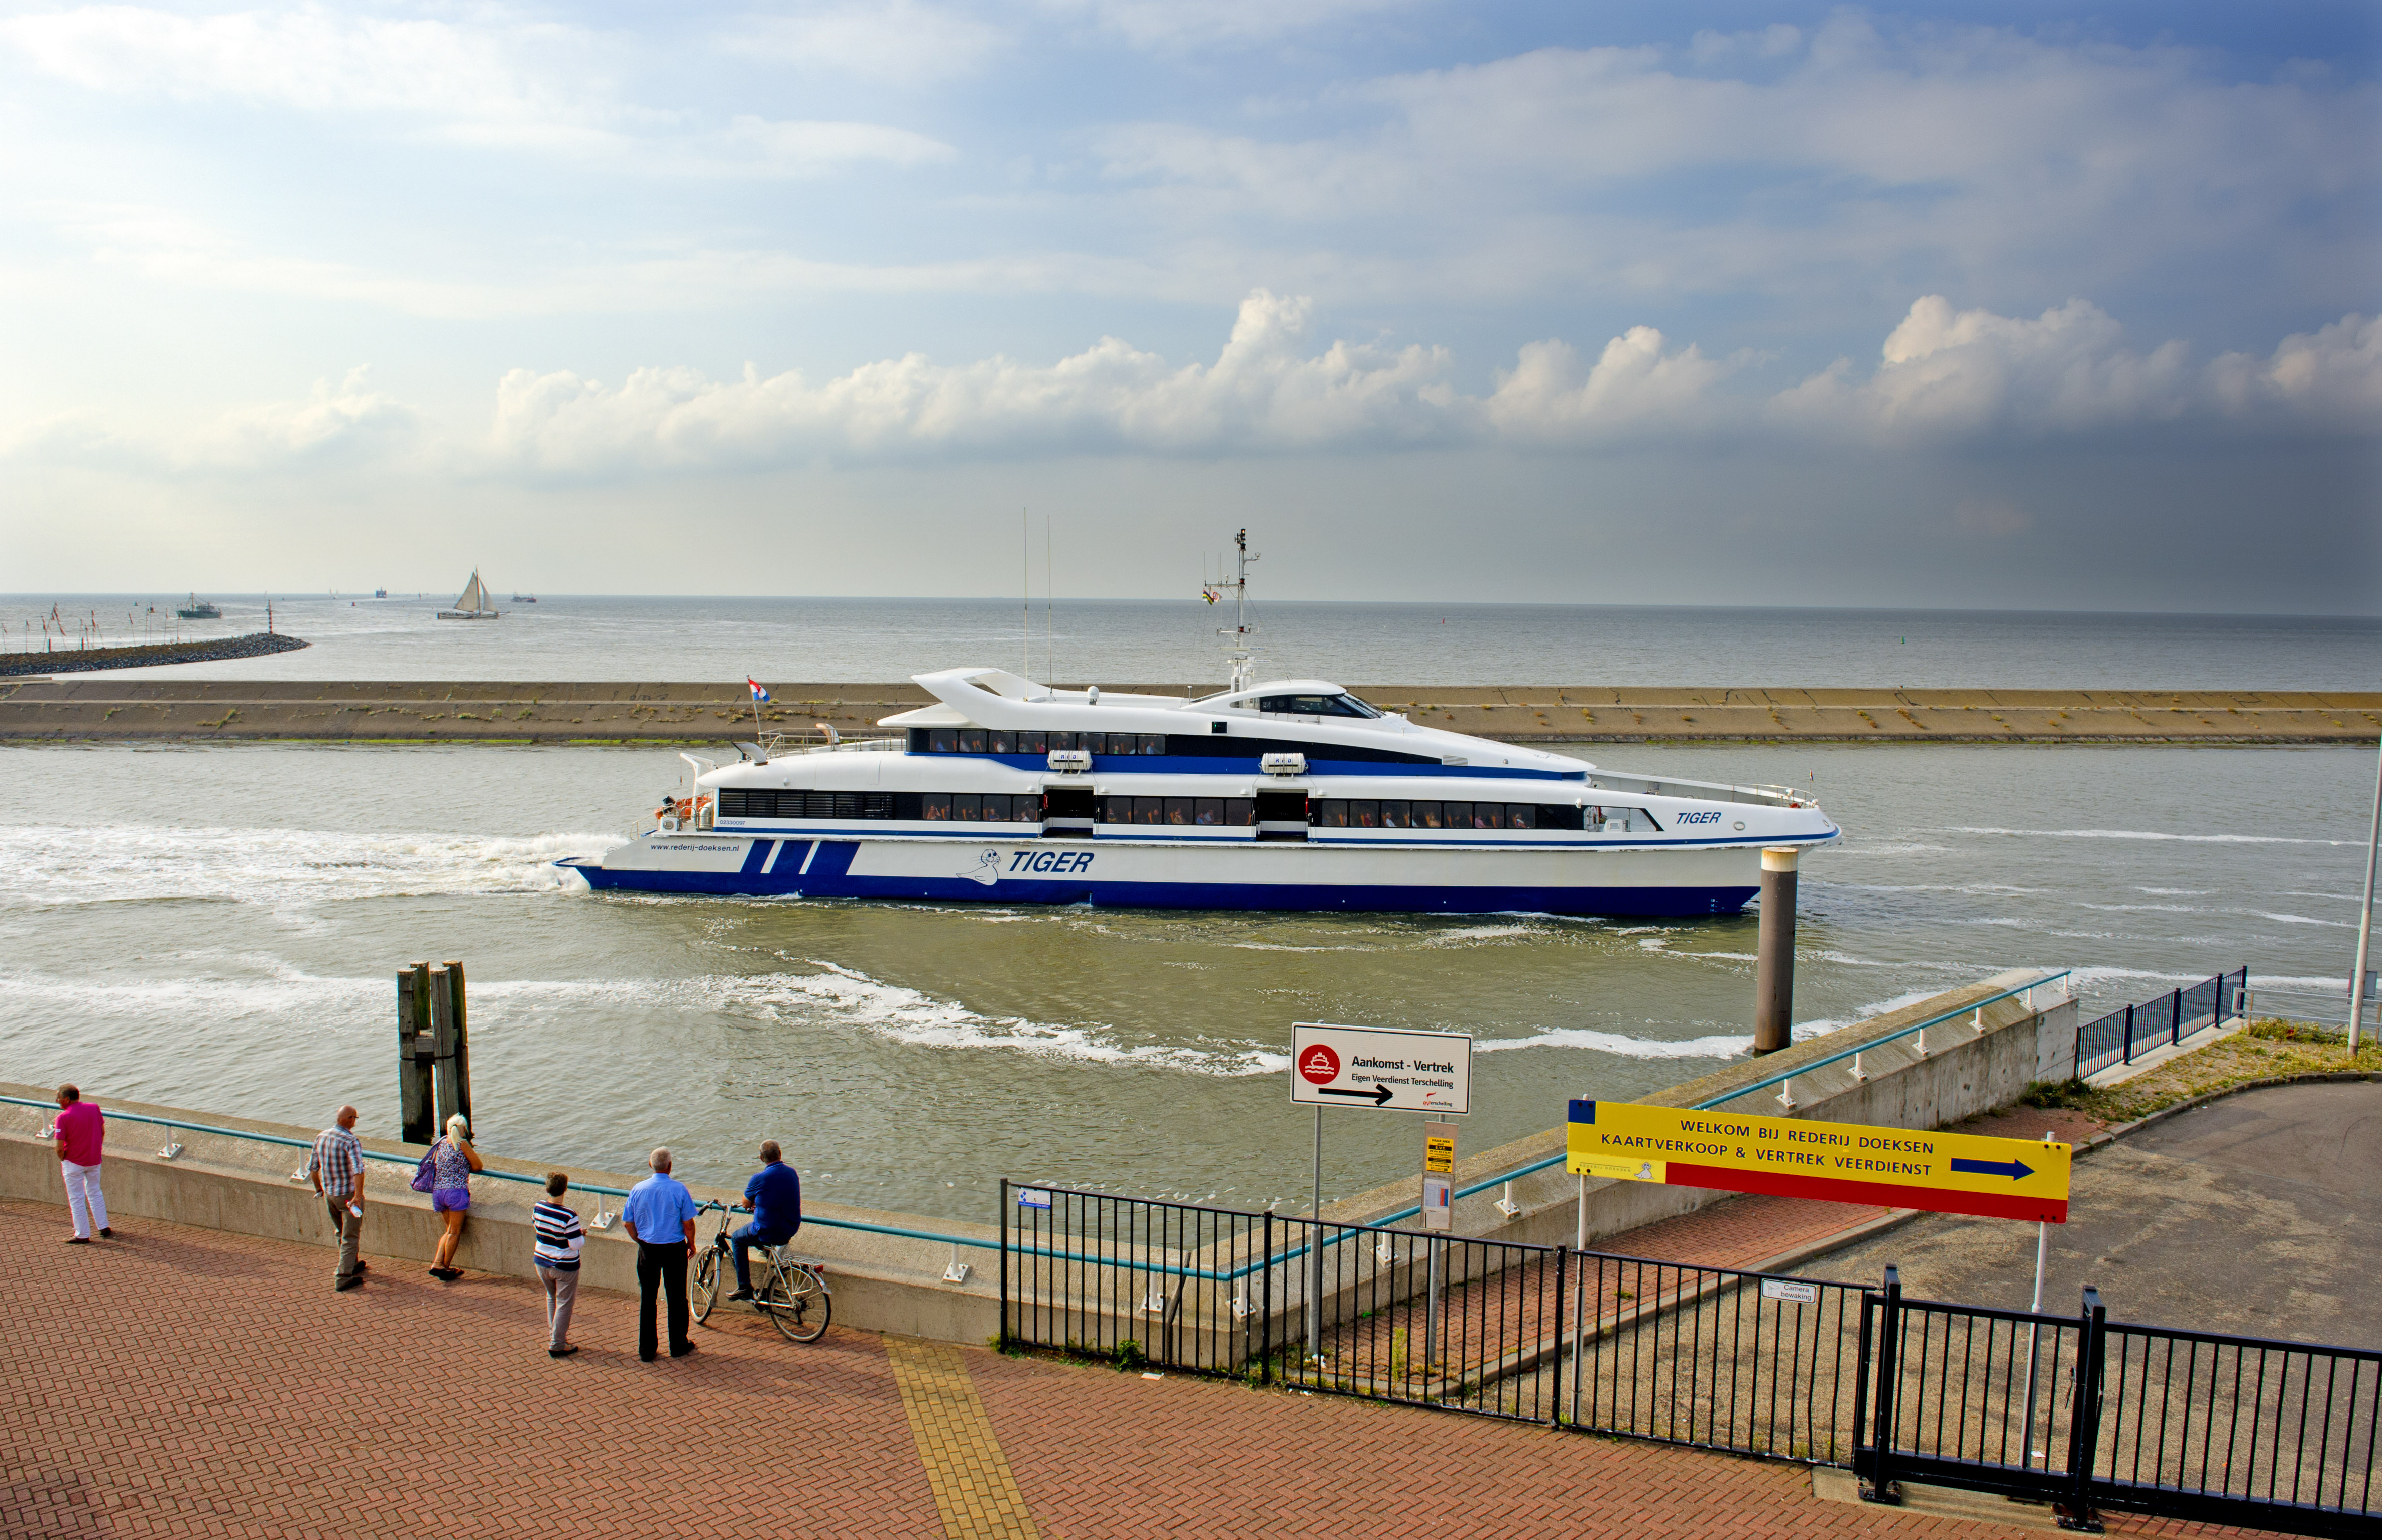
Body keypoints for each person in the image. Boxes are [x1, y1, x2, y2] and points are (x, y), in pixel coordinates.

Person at [621, 1147, 698, 1361]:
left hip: (648, 1249)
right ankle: (678, 1345)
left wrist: (640, 1242)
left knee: (648, 1299)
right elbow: (688, 1223)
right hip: (674, 1249)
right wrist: (691, 1244)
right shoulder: (679, 1189)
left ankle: (646, 1349)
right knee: (677, 1299)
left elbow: (628, 1223)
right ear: (670, 1166)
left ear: (650, 1165)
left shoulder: (638, 1189)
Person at [727, 1140, 802, 1303]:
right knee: (757, 1233)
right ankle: (767, 1250)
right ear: (780, 1153)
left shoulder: (759, 1178)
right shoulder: (792, 1173)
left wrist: (755, 1203)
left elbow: (746, 1203)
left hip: (769, 1230)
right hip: (791, 1227)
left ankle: (744, 1287)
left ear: (761, 1158)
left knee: (737, 1239)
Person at [304, 1105, 367, 1292]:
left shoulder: (322, 1136)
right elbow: (358, 1170)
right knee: (351, 1236)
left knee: (341, 1231)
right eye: (356, 1118)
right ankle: (343, 1277)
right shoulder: (351, 1141)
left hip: (331, 1194)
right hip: (348, 1195)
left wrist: (319, 1189)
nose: (355, 1121)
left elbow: (314, 1168)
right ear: (350, 1120)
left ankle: (351, 1265)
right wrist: (357, 1196)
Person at [425, 1113, 484, 1281]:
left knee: (449, 1230)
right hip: (456, 1193)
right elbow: (478, 1165)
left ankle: (437, 1263)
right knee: (455, 1232)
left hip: (438, 1192)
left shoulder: (441, 1142)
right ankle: (445, 1268)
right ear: (463, 1129)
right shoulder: (462, 1144)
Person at [48, 1085, 109, 1245]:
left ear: (67, 1099)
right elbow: (102, 1132)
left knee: (76, 1198)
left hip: (73, 1162)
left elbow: (59, 1147)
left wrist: (64, 1159)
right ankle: (104, 1227)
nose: (57, 1101)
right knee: (95, 1191)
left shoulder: (63, 1118)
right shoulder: (94, 1108)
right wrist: (95, 1150)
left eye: (59, 1098)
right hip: (94, 1160)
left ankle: (83, 1234)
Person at [533, 1172, 585, 1358]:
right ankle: (557, 1344)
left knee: (551, 1297)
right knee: (565, 1303)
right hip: (564, 1265)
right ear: (565, 1189)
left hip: (541, 1261)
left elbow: (540, 1228)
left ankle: (554, 1335)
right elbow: (576, 1244)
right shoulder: (569, 1215)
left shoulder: (538, 1207)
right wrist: (581, 1234)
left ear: (547, 1188)